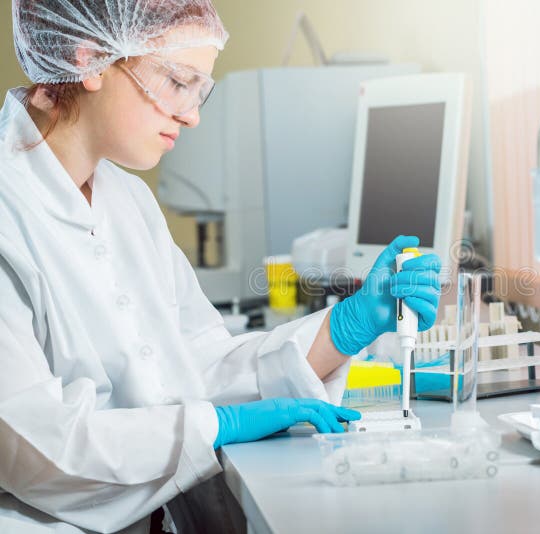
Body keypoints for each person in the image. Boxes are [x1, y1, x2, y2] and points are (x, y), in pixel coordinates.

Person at [0, 1, 442, 532]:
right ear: (91, 59)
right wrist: (217, 425)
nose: (191, 114)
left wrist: (345, 327)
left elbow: (194, 364)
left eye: (199, 90)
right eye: (176, 81)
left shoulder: (126, 200)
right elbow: (35, 449)